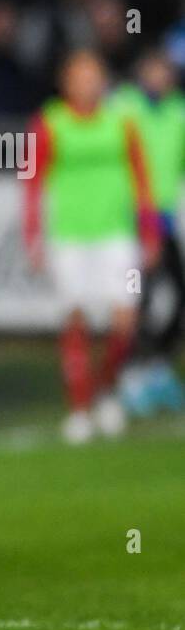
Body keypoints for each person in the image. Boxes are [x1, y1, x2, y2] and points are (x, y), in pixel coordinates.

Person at [23, 50, 161, 444]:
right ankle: (80, 407)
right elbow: (31, 182)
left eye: (94, 75)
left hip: (116, 233)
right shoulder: (49, 122)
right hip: (68, 234)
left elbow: (142, 178)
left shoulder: (121, 121)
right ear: (65, 82)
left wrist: (148, 232)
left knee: (123, 321)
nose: (88, 83)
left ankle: (105, 388)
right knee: (75, 318)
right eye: (80, 76)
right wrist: (33, 234)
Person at [108, 49, 185, 414]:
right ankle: (127, 374)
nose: (160, 78)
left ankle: (155, 368)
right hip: (132, 223)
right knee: (134, 299)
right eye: (153, 70)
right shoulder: (123, 108)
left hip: (165, 221)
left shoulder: (178, 112)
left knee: (176, 296)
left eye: (165, 71)